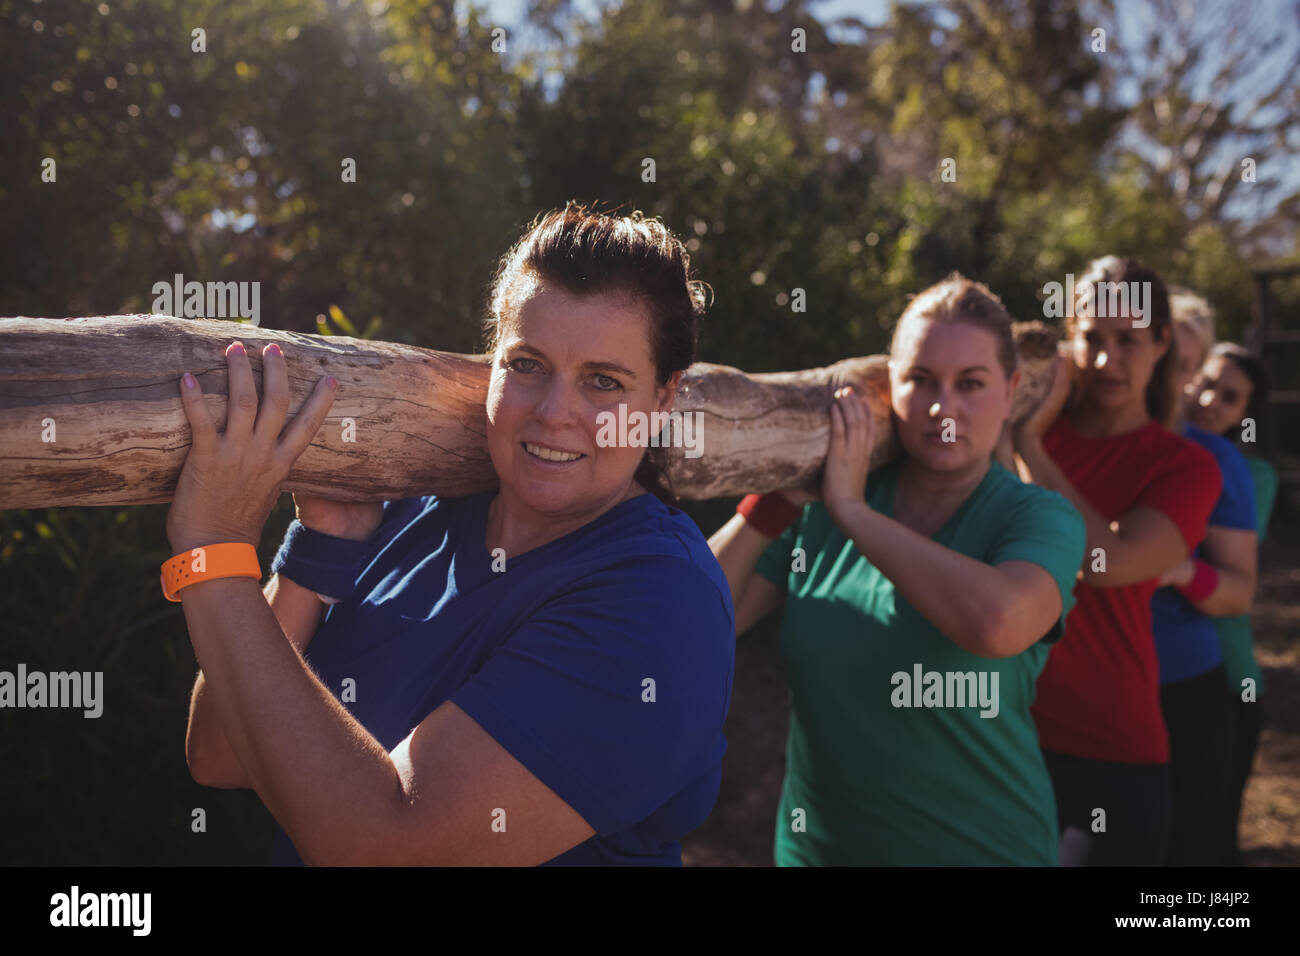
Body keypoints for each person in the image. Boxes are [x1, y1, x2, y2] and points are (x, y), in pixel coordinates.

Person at [169, 202, 736, 865]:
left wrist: (215, 549)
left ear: (664, 398)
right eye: (527, 364)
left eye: (603, 381)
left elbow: (385, 845)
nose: (556, 414)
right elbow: (219, 752)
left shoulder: (661, 603)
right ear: (490, 360)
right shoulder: (410, 511)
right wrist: (318, 552)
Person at [709, 275, 1086, 865]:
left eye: (972, 384)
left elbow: (997, 624)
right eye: (921, 380)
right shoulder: (825, 504)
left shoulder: (1038, 519)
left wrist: (854, 511)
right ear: (891, 386)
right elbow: (698, 623)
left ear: (1011, 391)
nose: (944, 407)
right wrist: (774, 501)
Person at [1013, 256, 1221, 866]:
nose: (1106, 361)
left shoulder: (1183, 467)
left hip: (1109, 751)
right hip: (1001, 735)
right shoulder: (1027, 429)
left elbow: (1107, 562)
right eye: (1091, 340)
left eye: (1127, 341)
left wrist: (1028, 446)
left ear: (1162, 343)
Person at [1151, 293, 1257, 866]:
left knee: (1191, 862)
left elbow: (1240, 589)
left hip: (1182, 690)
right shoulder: (1072, 442)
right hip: (1080, 696)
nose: (1174, 378)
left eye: (1186, 365)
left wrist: (1181, 570)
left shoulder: (1215, 461)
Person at [1183, 342, 1277, 864]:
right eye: (1208, 383)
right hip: (1162, 678)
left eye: (1230, 398)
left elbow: (1227, 572)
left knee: (1212, 838)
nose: (1211, 401)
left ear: (1244, 415)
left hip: (1228, 675)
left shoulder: (1250, 477)